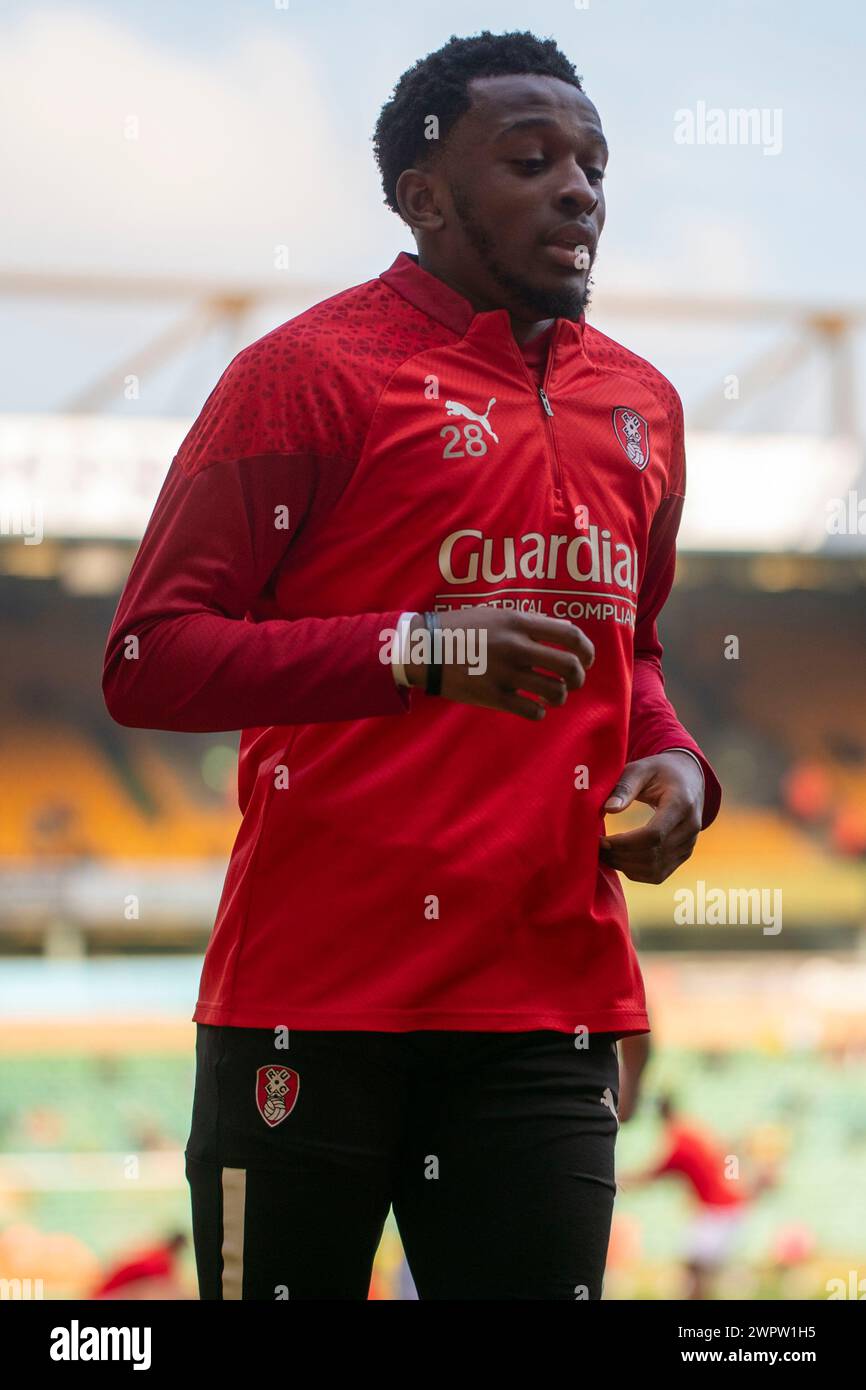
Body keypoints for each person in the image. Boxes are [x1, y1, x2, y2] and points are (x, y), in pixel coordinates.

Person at [103, 30, 721, 1300]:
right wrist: (414, 649)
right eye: (531, 158)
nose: (578, 189)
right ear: (421, 193)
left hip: (545, 1008)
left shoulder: (642, 408)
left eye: (594, 163)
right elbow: (147, 659)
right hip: (305, 1008)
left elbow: (632, 647)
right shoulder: (303, 377)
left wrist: (676, 766)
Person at [621, 1096, 755, 1299]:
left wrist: (623, 1179)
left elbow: (656, 1172)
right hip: (722, 1207)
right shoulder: (691, 1129)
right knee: (697, 1269)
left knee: (697, 1270)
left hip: (719, 1210)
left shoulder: (679, 1140)